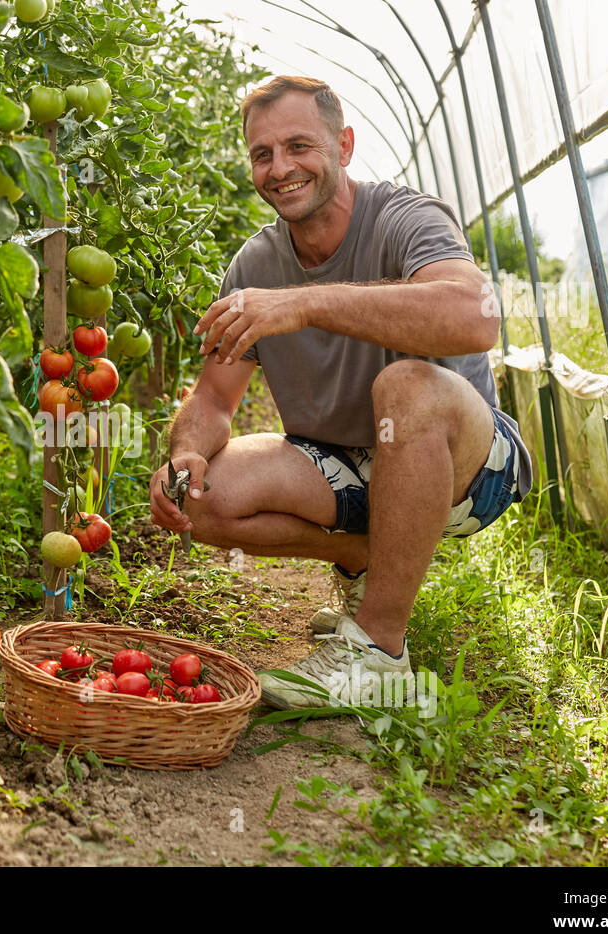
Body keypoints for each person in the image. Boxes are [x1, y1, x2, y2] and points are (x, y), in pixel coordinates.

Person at [148, 76, 533, 710]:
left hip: (469, 469)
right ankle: (369, 558)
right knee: (206, 497)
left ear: (344, 145)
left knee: (406, 386)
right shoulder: (253, 266)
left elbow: (477, 316)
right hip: (347, 466)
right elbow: (214, 399)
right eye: (262, 155)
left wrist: (307, 305)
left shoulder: (407, 216)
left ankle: (379, 651)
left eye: (300, 145)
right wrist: (186, 449)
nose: (280, 168)